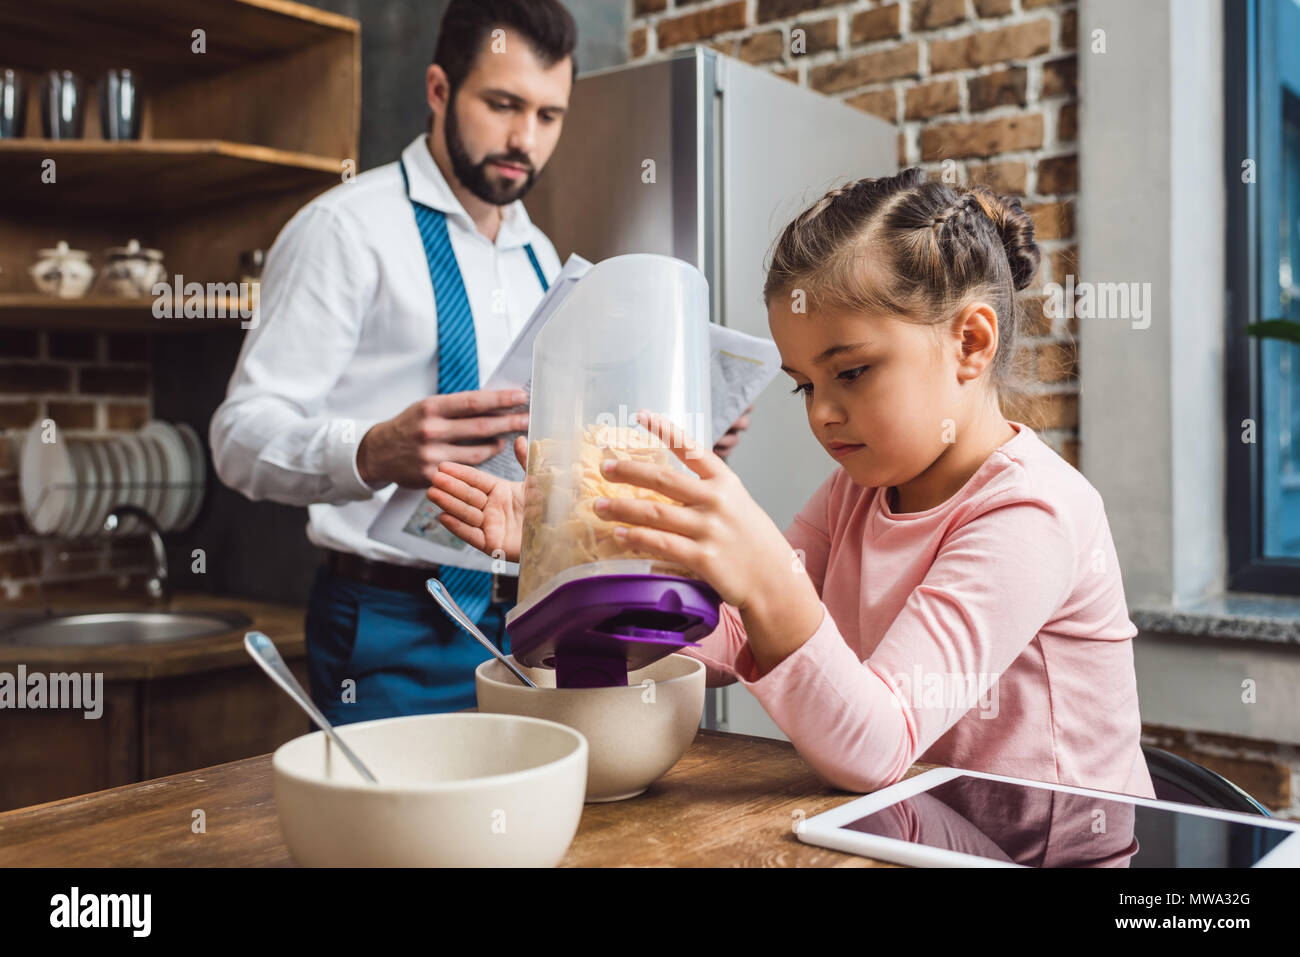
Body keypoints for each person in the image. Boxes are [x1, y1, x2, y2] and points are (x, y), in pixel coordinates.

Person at [426, 168, 1157, 799]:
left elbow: (878, 745)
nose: (825, 414)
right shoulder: (858, 493)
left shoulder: (1032, 511)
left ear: (970, 341)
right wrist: (587, 551)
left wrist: (767, 575)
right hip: (931, 831)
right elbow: (733, 631)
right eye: (803, 386)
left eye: (852, 371)